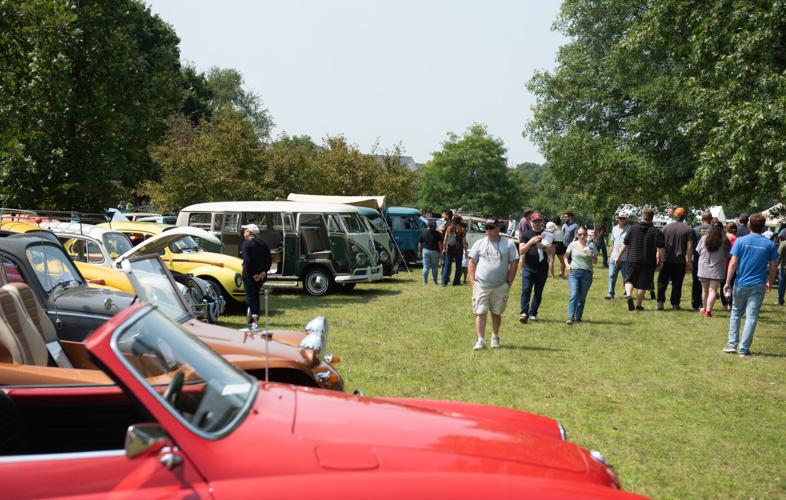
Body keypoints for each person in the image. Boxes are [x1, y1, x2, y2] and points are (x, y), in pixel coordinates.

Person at [723, 213, 778, 357]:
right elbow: (773, 267)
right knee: (751, 317)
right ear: (763, 226)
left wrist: (728, 282)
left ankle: (731, 344)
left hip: (741, 282)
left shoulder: (740, 241)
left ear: (749, 225)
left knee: (736, 313)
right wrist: (770, 282)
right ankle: (743, 349)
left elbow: (733, 263)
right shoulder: (770, 244)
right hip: (758, 284)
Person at [468, 219, 519, 350]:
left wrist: (509, 282)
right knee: (480, 312)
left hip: (500, 285)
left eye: (491, 228)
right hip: (481, 285)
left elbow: (514, 263)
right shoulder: (479, 243)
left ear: (498, 228)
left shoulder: (508, 244)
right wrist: (472, 281)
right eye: (487, 228)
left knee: (496, 313)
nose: (488, 231)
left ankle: (495, 337)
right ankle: (480, 340)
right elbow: (472, 262)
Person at [617, 208, 665, 311]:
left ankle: (629, 295)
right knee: (643, 285)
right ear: (652, 217)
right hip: (648, 262)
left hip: (632, 259)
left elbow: (625, 243)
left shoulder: (633, 228)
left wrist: (618, 256)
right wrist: (662, 260)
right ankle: (638, 306)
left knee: (629, 280)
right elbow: (661, 248)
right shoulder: (656, 231)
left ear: (643, 216)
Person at [657, 207, 694, 310]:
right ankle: (675, 304)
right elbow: (690, 247)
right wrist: (689, 261)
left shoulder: (665, 228)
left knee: (662, 282)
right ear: (684, 217)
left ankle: (660, 302)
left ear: (674, 216)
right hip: (680, 261)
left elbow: (660, 245)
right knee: (677, 283)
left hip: (666, 259)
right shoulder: (688, 229)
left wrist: (659, 257)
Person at [518, 212, 550, 323]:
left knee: (538, 292)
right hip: (529, 267)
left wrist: (543, 247)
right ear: (530, 222)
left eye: (539, 221)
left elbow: (552, 251)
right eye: (535, 221)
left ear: (542, 222)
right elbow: (521, 250)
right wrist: (531, 242)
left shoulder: (546, 234)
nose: (537, 223)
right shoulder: (526, 234)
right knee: (526, 290)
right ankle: (524, 312)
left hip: (542, 268)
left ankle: (533, 313)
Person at [241, 223, 272, 330]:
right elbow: (269, 260)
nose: (243, 232)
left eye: (245, 230)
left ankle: (254, 319)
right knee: (256, 295)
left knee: (250, 297)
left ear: (249, 232)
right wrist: (263, 272)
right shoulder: (264, 244)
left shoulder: (246, 244)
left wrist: (254, 274)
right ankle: (254, 318)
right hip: (261, 276)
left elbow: (247, 261)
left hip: (250, 275)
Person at [696, 223, 731, 317]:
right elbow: (729, 255)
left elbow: (698, 251)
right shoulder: (725, 240)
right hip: (717, 269)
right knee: (713, 290)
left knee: (705, 290)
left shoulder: (704, 238)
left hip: (703, 268)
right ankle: (708, 310)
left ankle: (704, 308)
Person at [565, 226, 598, 324]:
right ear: (577, 235)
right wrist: (567, 265)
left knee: (582, 297)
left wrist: (591, 255)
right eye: (580, 234)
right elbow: (566, 256)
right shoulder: (573, 244)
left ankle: (578, 317)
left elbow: (595, 261)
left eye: (584, 234)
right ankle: (570, 317)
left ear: (587, 234)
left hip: (587, 273)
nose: (582, 236)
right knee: (573, 294)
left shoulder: (591, 245)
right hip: (574, 272)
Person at [691, 212, 713, 311]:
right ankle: (706, 303)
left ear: (701, 219)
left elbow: (692, 245)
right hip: (712, 259)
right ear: (711, 219)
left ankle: (696, 302)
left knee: (696, 280)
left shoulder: (695, 230)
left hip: (698, 258)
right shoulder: (715, 230)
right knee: (710, 283)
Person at [606, 211, 630, 299]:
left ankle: (626, 293)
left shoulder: (630, 229)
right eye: (620, 218)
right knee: (611, 276)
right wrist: (612, 253)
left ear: (626, 219)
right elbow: (612, 242)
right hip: (614, 258)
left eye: (624, 218)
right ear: (618, 219)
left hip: (625, 258)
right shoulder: (614, 228)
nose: (622, 220)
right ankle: (610, 293)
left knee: (626, 277)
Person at [441, 214, 467, 286]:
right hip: (459, 249)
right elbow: (464, 241)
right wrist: (466, 251)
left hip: (449, 249)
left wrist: (444, 248)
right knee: (458, 266)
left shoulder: (449, 228)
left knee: (447, 265)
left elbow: (445, 239)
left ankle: (444, 282)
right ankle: (456, 282)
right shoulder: (462, 229)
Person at [418, 220, 442, 285]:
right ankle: (435, 281)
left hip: (425, 251)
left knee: (425, 267)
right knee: (434, 267)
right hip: (434, 251)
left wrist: (419, 251)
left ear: (428, 225)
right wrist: (441, 252)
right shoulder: (438, 234)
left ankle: (424, 282)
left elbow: (420, 243)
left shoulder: (424, 233)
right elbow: (440, 244)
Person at [777, 231, 786, 306]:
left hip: (784, 267)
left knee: (782, 285)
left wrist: (775, 266)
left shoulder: (784, 243)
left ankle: (780, 300)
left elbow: (779, 257)